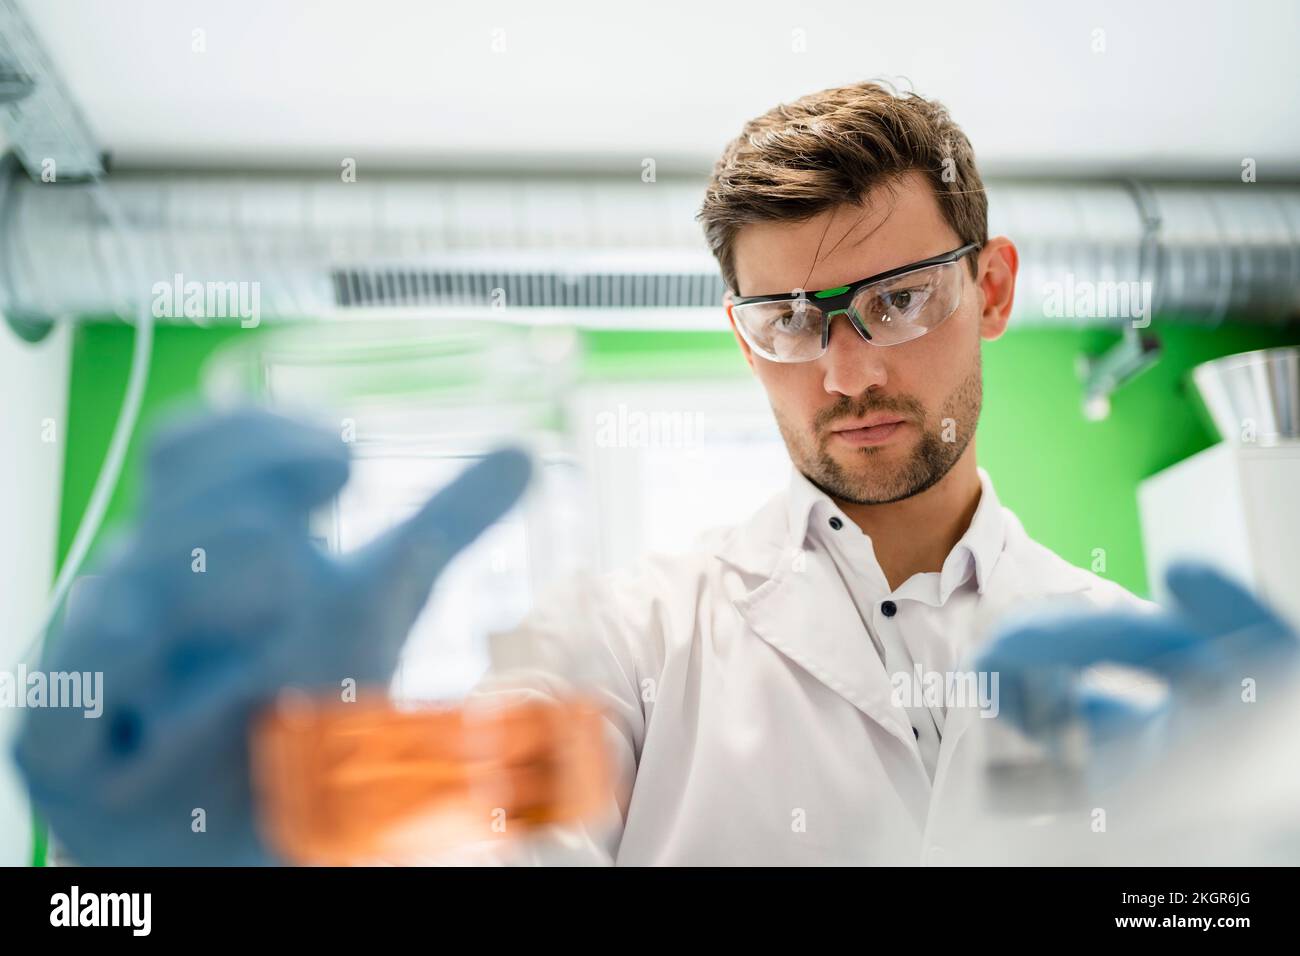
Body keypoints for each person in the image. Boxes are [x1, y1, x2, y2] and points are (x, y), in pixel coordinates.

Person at [24, 80, 1248, 866]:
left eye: (896, 298)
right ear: (740, 334)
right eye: (787, 317)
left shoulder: (1144, 665)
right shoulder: (620, 639)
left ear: (990, 289)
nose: (843, 368)